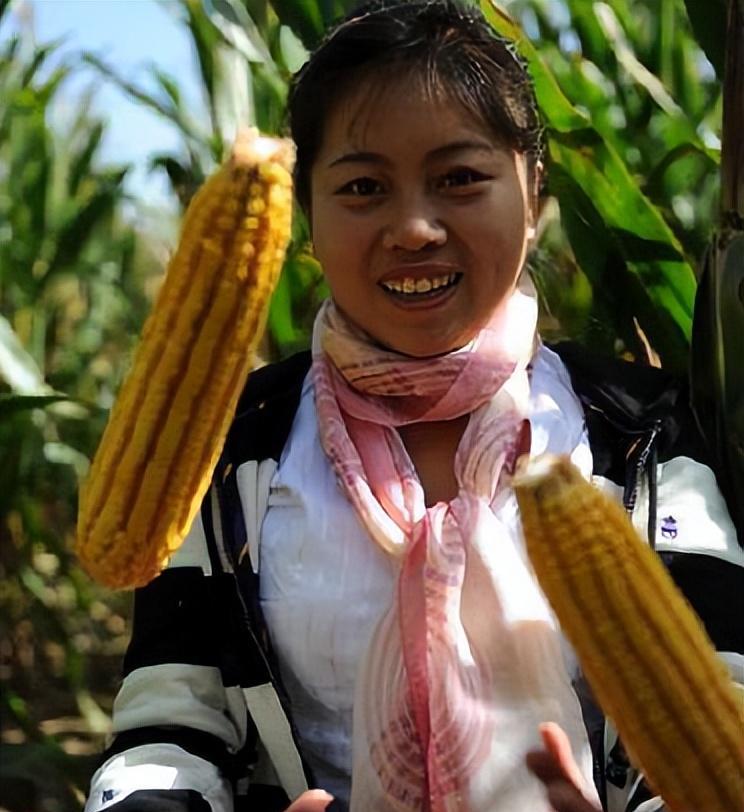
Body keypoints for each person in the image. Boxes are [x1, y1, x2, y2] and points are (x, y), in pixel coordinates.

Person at [84, 2, 744, 811]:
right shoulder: (227, 449)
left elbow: (718, 714)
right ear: (306, 217)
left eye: (460, 178)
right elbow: (166, 737)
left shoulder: (643, 438)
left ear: (533, 196)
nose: (415, 228)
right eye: (363, 187)